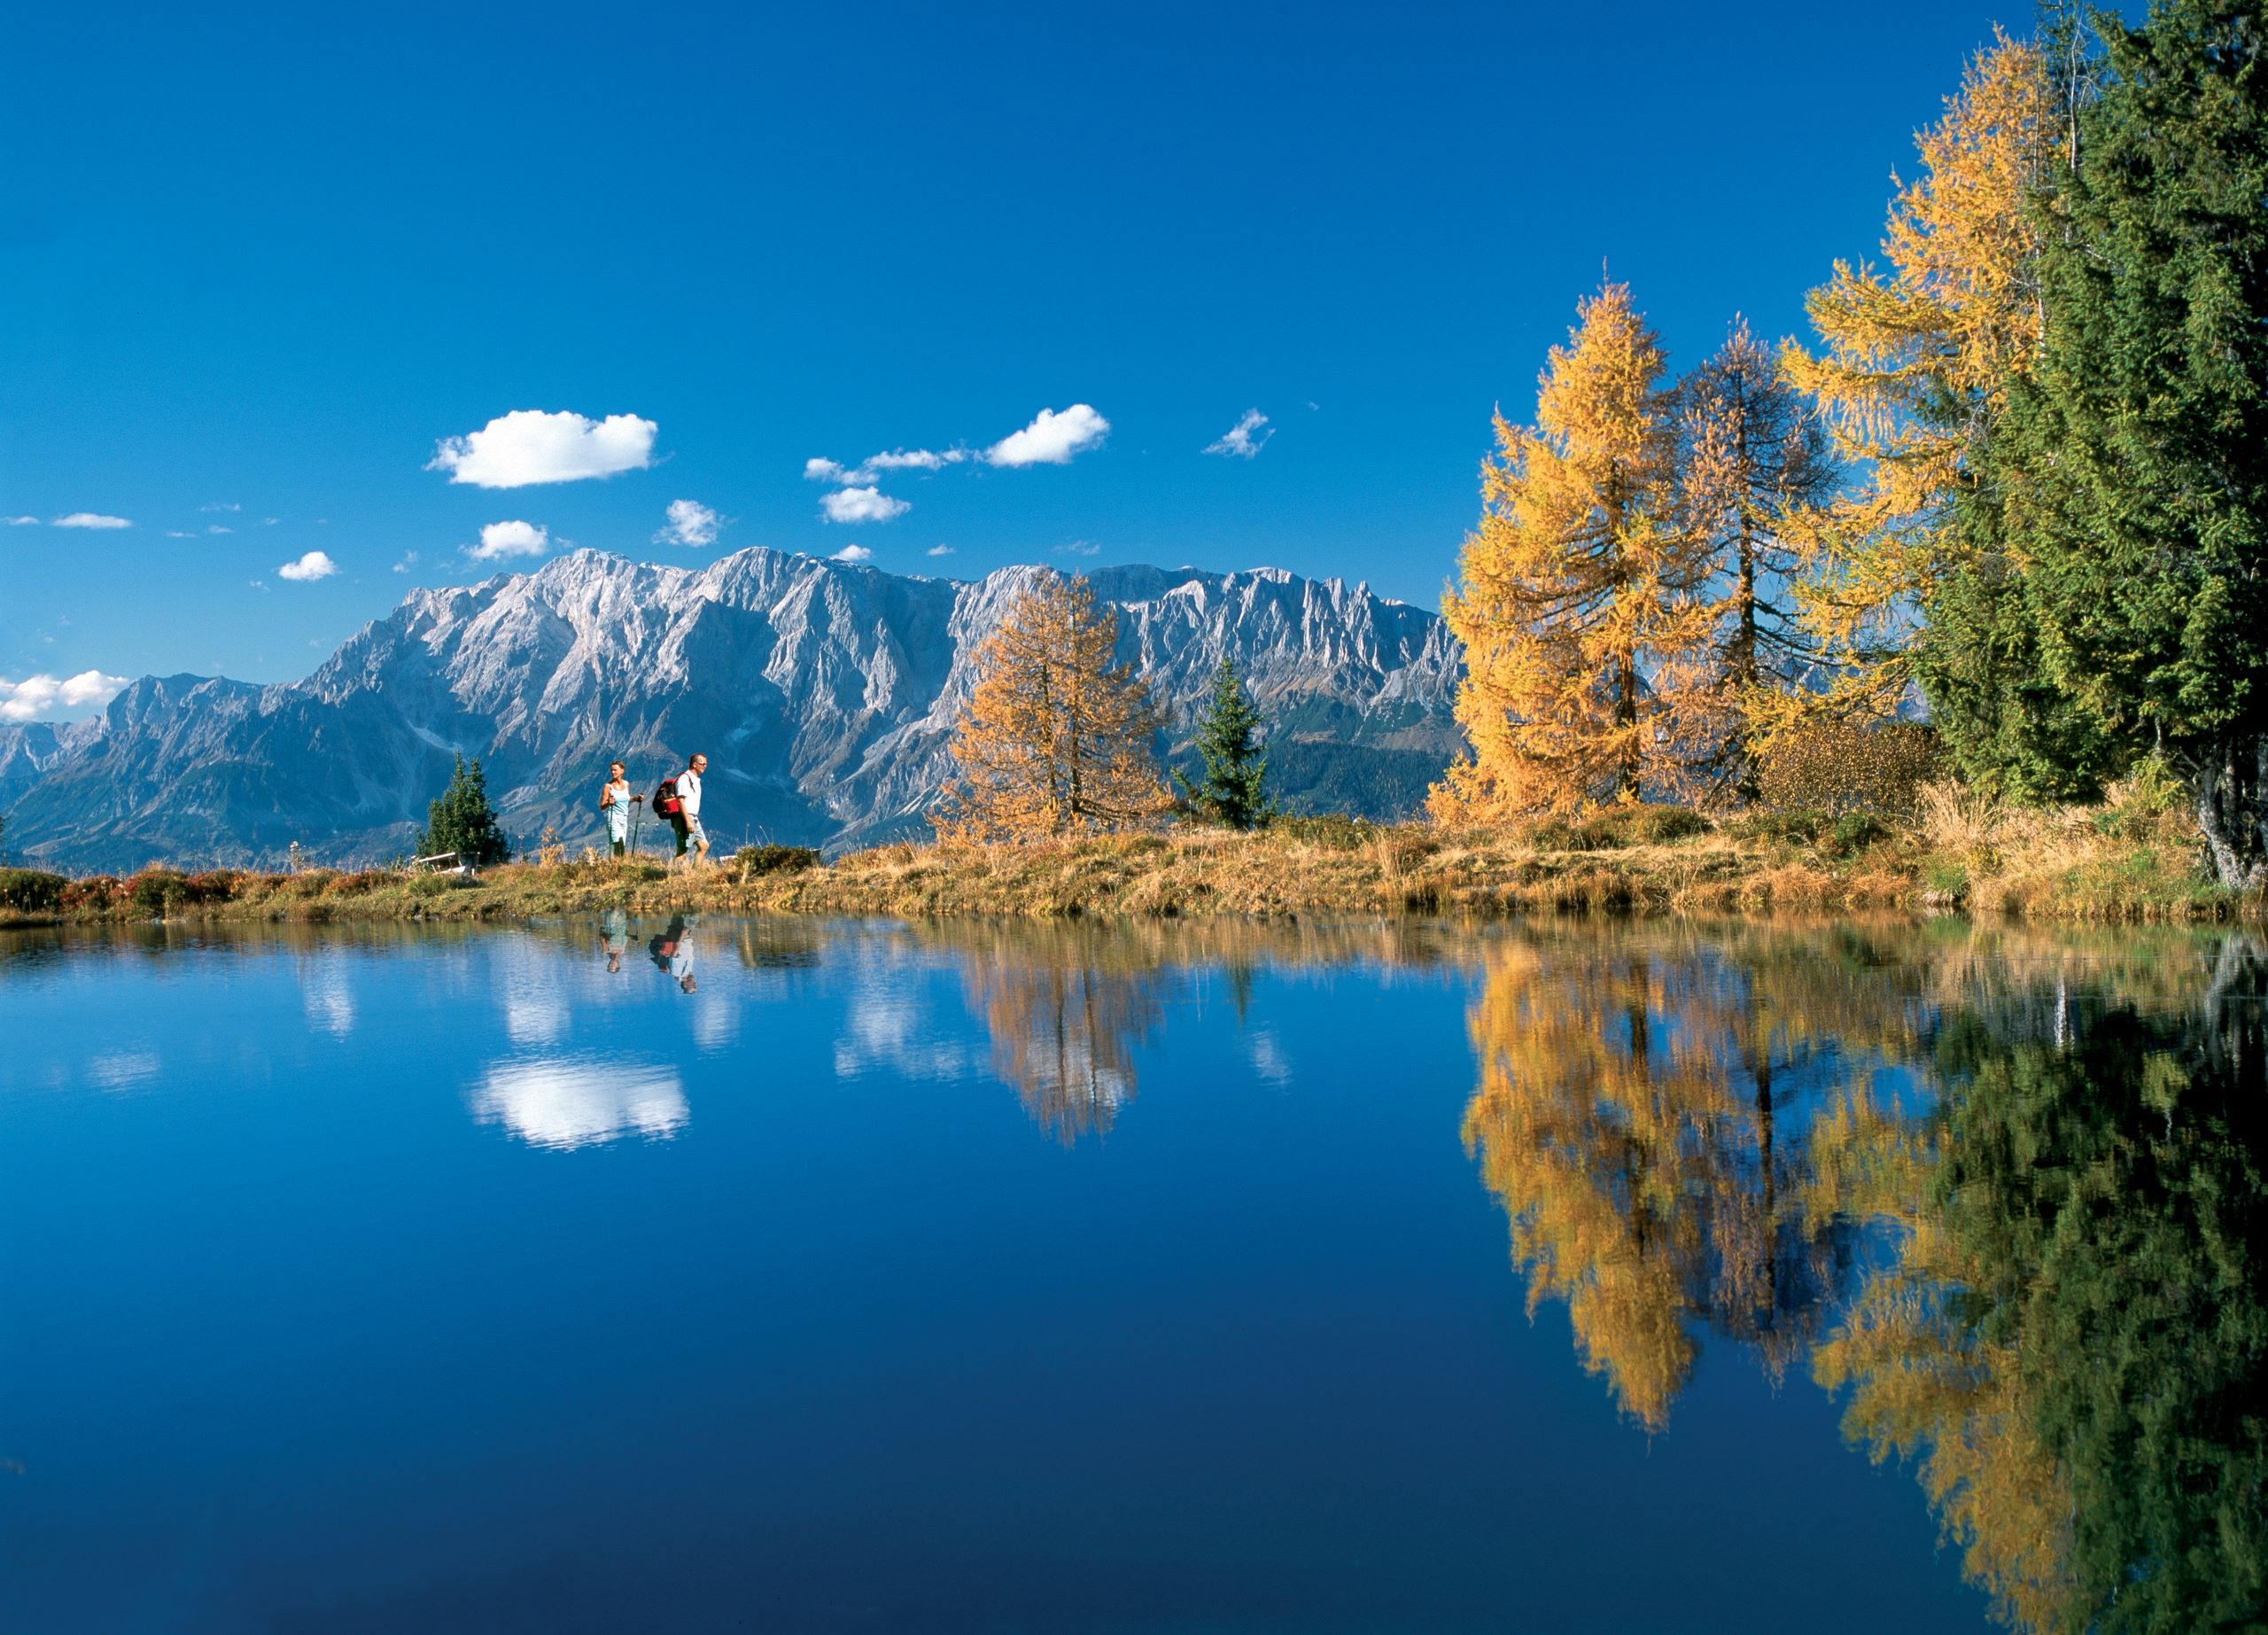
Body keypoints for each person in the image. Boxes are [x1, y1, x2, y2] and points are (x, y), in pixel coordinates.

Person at [675, 751, 711, 869]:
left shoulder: (694, 779)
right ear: (695, 764)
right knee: (683, 849)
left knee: (703, 845)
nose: (705, 766)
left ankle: (695, 874)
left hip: (693, 817)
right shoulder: (685, 778)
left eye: (706, 764)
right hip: (687, 816)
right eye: (702, 764)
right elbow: (680, 801)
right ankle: (674, 875)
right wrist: (688, 821)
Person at [599, 761, 635, 858]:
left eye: (615, 770)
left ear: (622, 771)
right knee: (616, 843)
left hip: (624, 818)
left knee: (622, 844)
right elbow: (602, 806)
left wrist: (636, 799)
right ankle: (613, 866)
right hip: (613, 818)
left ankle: (619, 866)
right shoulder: (608, 786)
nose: (613, 772)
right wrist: (608, 802)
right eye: (612, 770)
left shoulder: (626, 784)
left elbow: (626, 799)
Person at [600, 907, 629, 973]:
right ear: (618, 965)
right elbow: (625, 939)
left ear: (608, 964)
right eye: (613, 967)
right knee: (622, 909)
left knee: (612, 909)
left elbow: (602, 937)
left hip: (611, 925)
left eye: (609, 966)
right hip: (622, 927)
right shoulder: (622, 951)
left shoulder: (606, 951)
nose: (611, 965)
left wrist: (603, 933)